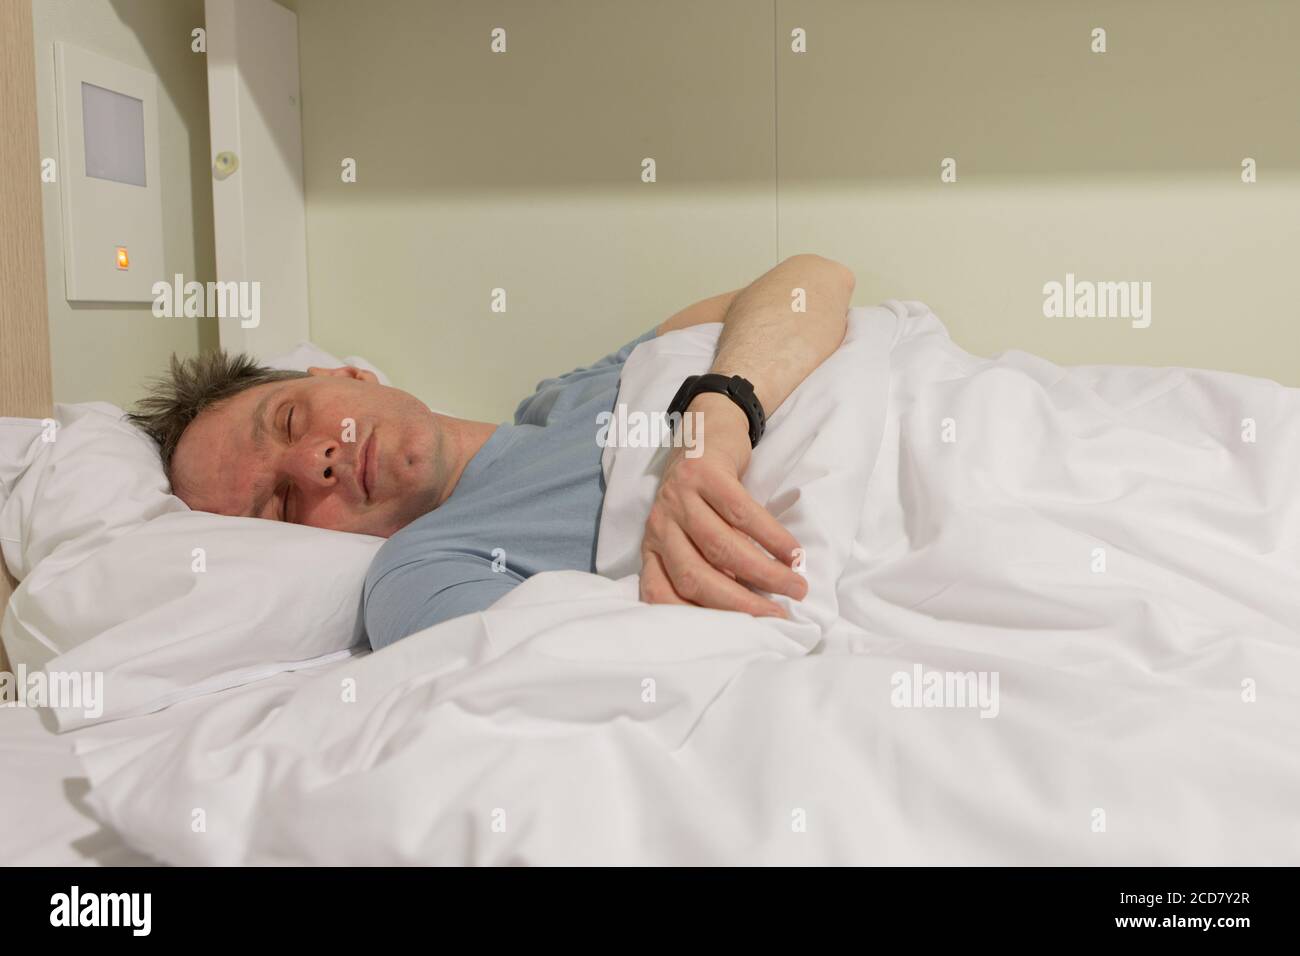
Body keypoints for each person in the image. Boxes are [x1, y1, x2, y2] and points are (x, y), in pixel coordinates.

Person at [128, 254, 855, 648]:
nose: (314, 463)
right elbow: (581, 677)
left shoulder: (567, 393)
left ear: (345, 375)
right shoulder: (419, 573)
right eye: (283, 504)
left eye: (288, 422)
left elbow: (811, 280)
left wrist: (717, 421)